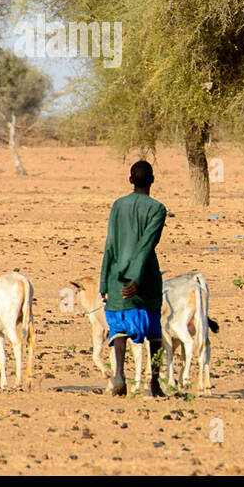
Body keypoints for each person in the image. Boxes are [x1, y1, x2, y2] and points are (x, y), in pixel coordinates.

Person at [98, 159, 167, 397]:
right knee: (154, 332)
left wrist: (104, 281)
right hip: (145, 277)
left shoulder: (118, 205)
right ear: (152, 181)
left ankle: (119, 375)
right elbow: (147, 245)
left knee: (118, 328)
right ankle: (154, 382)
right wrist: (136, 277)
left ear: (130, 180)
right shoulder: (157, 209)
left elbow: (110, 244)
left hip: (116, 275)